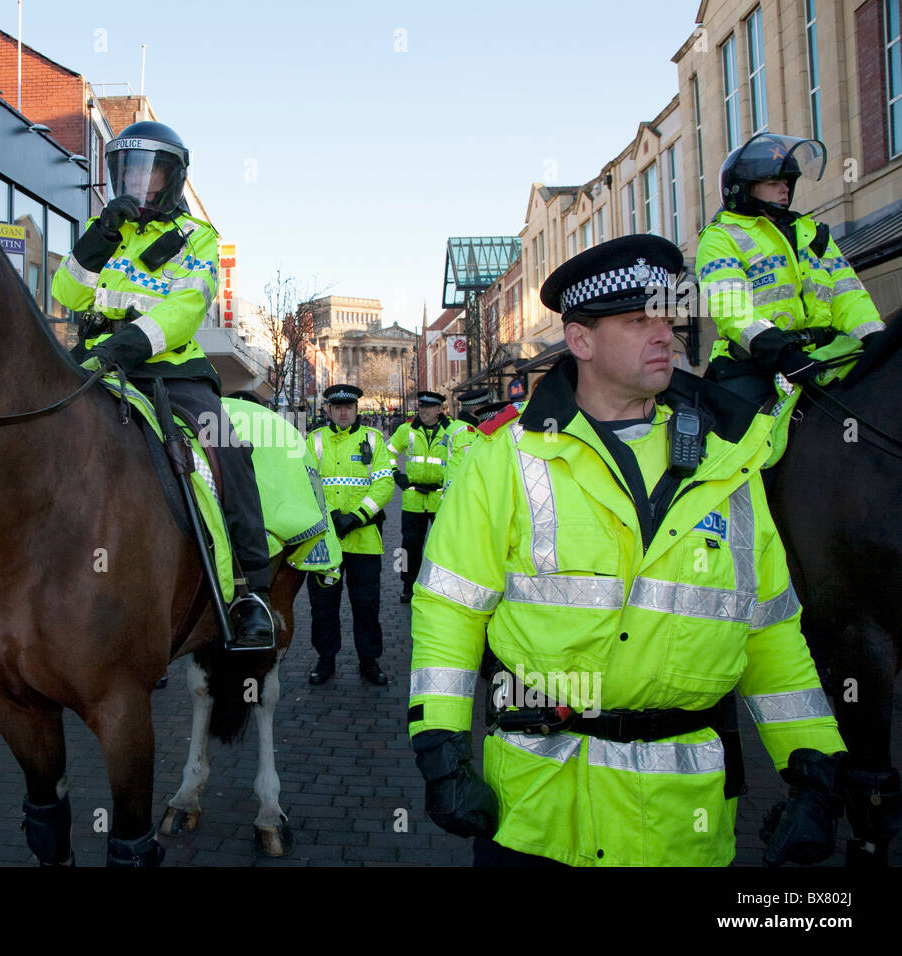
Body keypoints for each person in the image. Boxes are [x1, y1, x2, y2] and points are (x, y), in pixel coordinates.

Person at [410, 234, 848, 867]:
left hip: (683, 830)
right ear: (582, 341)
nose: (665, 335)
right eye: (639, 320)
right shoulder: (506, 457)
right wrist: (441, 748)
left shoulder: (730, 462)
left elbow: (770, 631)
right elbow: (451, 610)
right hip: (538, 817)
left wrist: (813, 769)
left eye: (667, 318)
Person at [51, 121, 274, 650]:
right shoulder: (106, 228)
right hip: (95, 363)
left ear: (172, 178)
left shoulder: (198, 237)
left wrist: (128, 343)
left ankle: (250, 592)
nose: (138, 182)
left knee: (227, 448)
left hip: (169, 368)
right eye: (128, 170)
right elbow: (67, 293)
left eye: (150, 172)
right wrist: (100, 234)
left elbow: (185, 308)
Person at [697, 132, 885, 404]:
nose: (785, 189)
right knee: (738, 443)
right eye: (774, 182)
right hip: (756, 365)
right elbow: (729, 304)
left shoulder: (813, 233)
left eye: (787, 181)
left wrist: (875, 338)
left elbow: (848, 292)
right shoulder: (720, 237)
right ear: (743, 187)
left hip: (825, 355)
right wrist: (780, 351)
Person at [306, 384, 395, 686]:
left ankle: (369, 661)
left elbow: (384, 484)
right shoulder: (314, 441)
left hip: (364, 538)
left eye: (349, 407)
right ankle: (325, 659)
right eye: (337, 407)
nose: (343, 412)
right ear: (328, 410)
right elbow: (306, 482)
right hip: (325, 541)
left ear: (357, 409)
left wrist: (357, 516)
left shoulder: (374, 439)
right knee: (323, 604)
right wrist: (331, 515)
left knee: (366, 604)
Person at [386, 391, 461, 604]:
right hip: (413, 498)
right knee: (409, 546)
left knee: (443, 544)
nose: (423, 411)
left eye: (429, 407)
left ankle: (442, 585)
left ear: (439, 409)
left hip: (441, 498)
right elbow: (387, 453)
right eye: (421, 407)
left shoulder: (453, 431)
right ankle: (407, 585)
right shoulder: (406, 430)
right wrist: (396, 474)